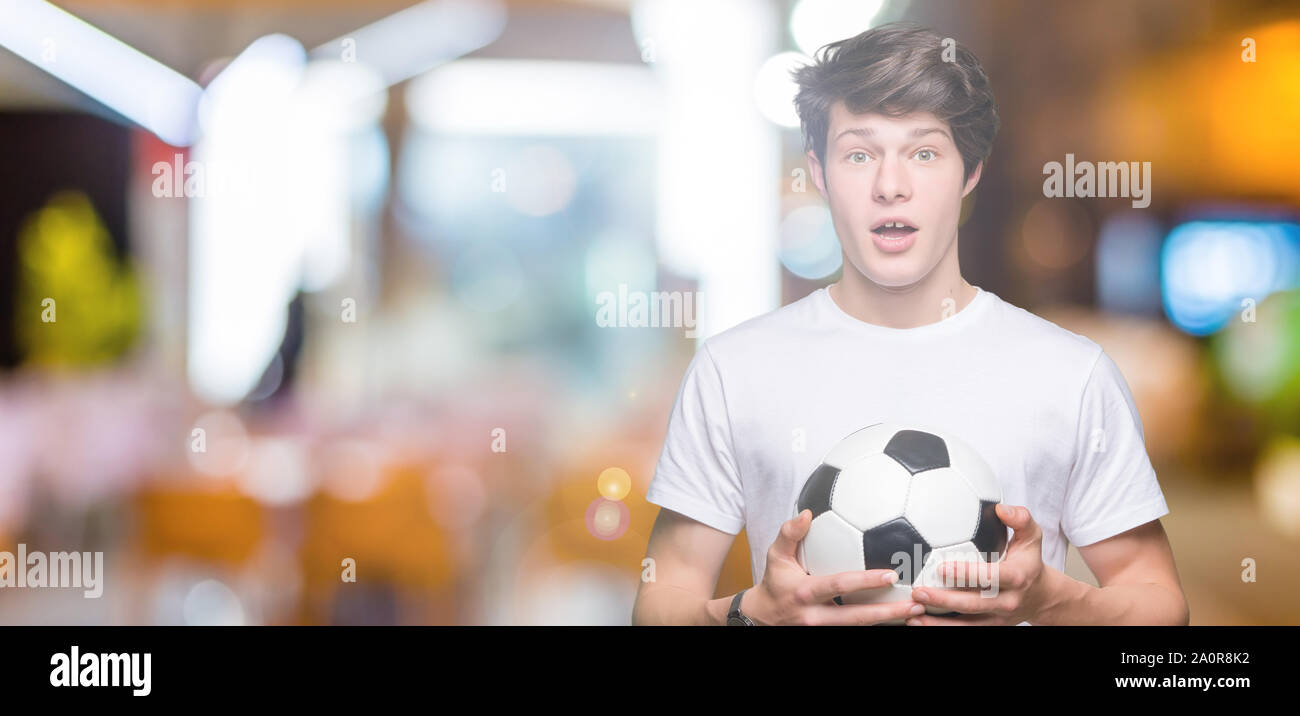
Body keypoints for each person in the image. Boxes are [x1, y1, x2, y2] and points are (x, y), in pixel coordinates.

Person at [632, 23, 1188, 626]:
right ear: (818, 172)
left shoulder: (1072, 373)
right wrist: (749, 614)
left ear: (970, 172)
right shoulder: (732, 369)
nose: (890, 187)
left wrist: (1053, 600)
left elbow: (1160, 605)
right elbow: (661, 601)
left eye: (924, 153)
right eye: (859, 154)